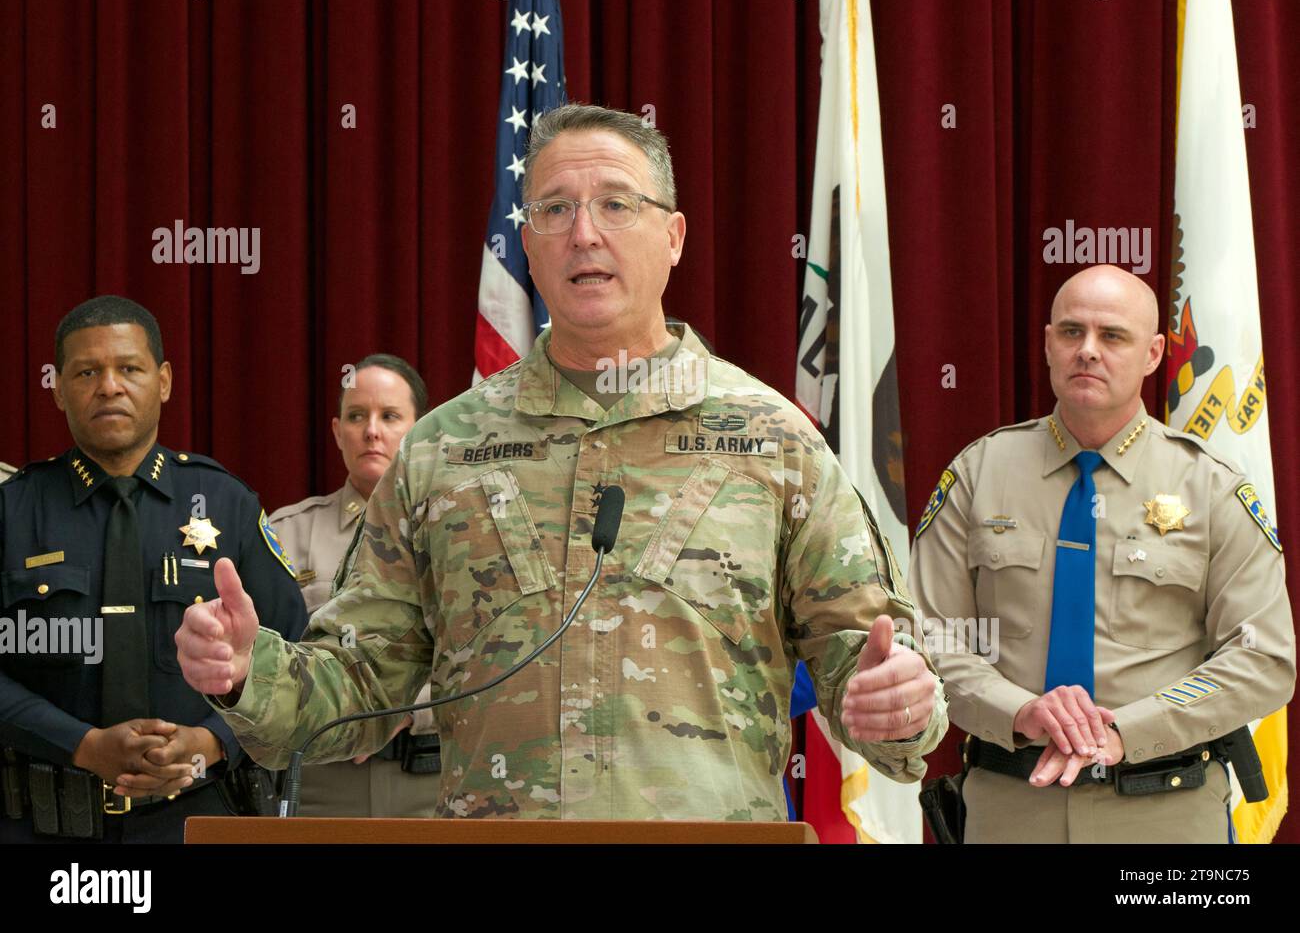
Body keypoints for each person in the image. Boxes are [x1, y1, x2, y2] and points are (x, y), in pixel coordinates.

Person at [177, 103, 948, 821]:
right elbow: (359, 683)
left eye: (617, 204)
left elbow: (869, 668)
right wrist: (252, 673)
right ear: (528, 242)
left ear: (674, 237)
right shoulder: (444, 452)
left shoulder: (774, 441)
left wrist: (901, 703)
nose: (584, 232)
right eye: (553, 209)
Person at [909, 265, 1295, 843]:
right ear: (1046, 343)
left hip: (1166, 818)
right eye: (1071, 332)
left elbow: (1263, 657)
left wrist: (1128, 731)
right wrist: (1017, 709)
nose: (1088, 350)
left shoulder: (1211, 488)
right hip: (1012, 809)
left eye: (1112, 336)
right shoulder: (978, 474)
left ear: (1153, 353)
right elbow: (931, 638)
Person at [0, 296, 308, 843]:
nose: (110, 386)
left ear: (163, 381)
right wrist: (82, 744)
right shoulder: (13, 511)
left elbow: (297, 656)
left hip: (200, 819)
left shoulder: (227, 504)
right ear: (57, 388)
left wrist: (213, 742)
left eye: (130, 368)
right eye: (87, 371)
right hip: (42, 827)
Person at [269, 353, 441, 817]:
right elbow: (267, 656)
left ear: (420, 430)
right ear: (336, 430)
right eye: (357, 416)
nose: (372, 431)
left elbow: (485, 654)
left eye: (390, 416)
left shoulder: (456, 532)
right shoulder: (287, 534)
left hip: (430, 779)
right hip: (323, 782)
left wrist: (399, 708)